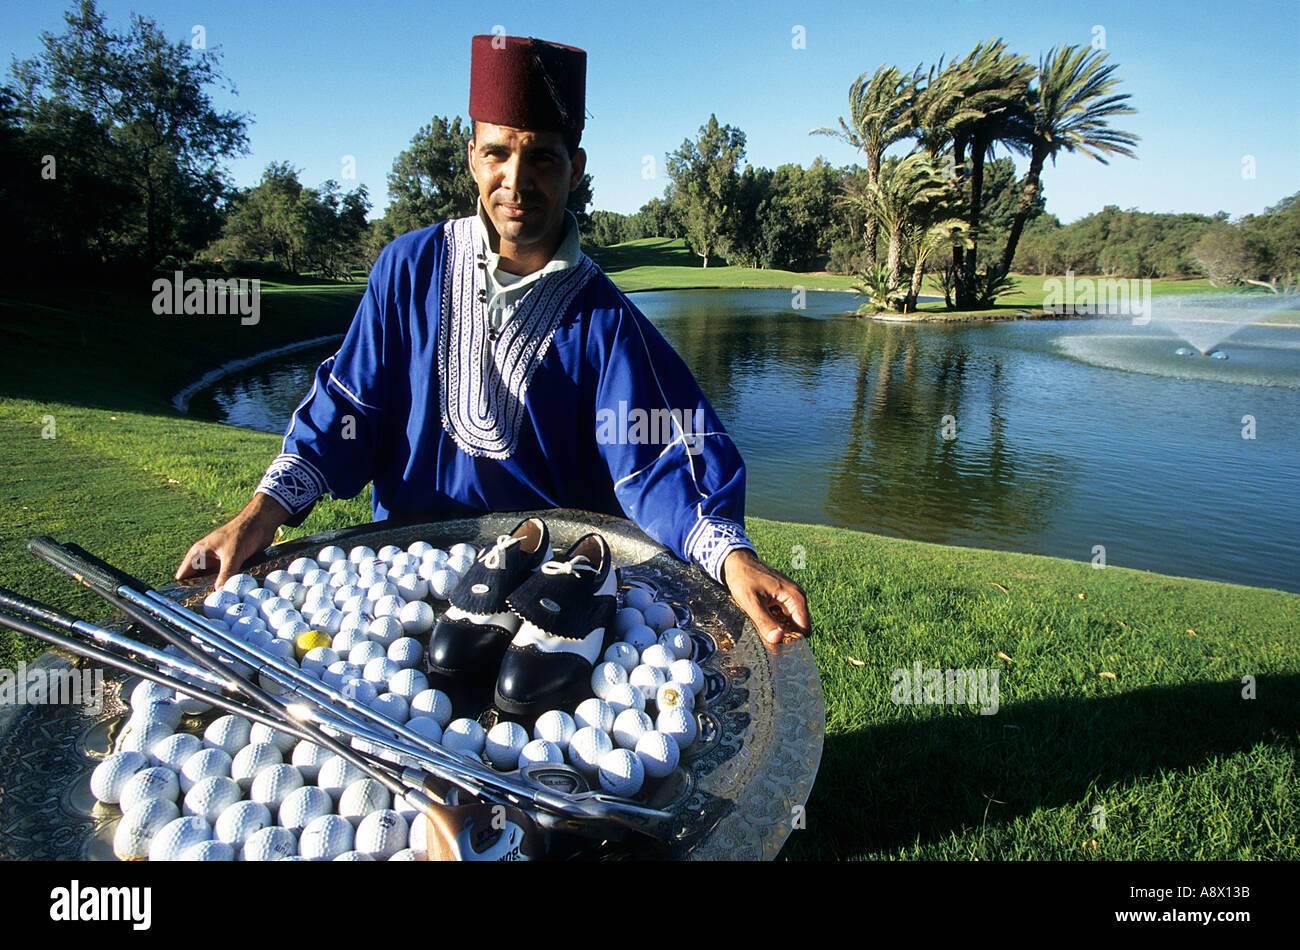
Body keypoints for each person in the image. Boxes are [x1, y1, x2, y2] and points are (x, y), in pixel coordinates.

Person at [176, 34, 809, 649]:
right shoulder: (408, 270)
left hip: (541, 602)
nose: (517, 180)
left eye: (543, 158)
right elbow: (347, 410)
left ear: (575, 169)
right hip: (402, 577)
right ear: (473, 155)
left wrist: (733, 560)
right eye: (500, 153)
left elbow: (665, 454)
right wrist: (256, 518)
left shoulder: (607, 321)